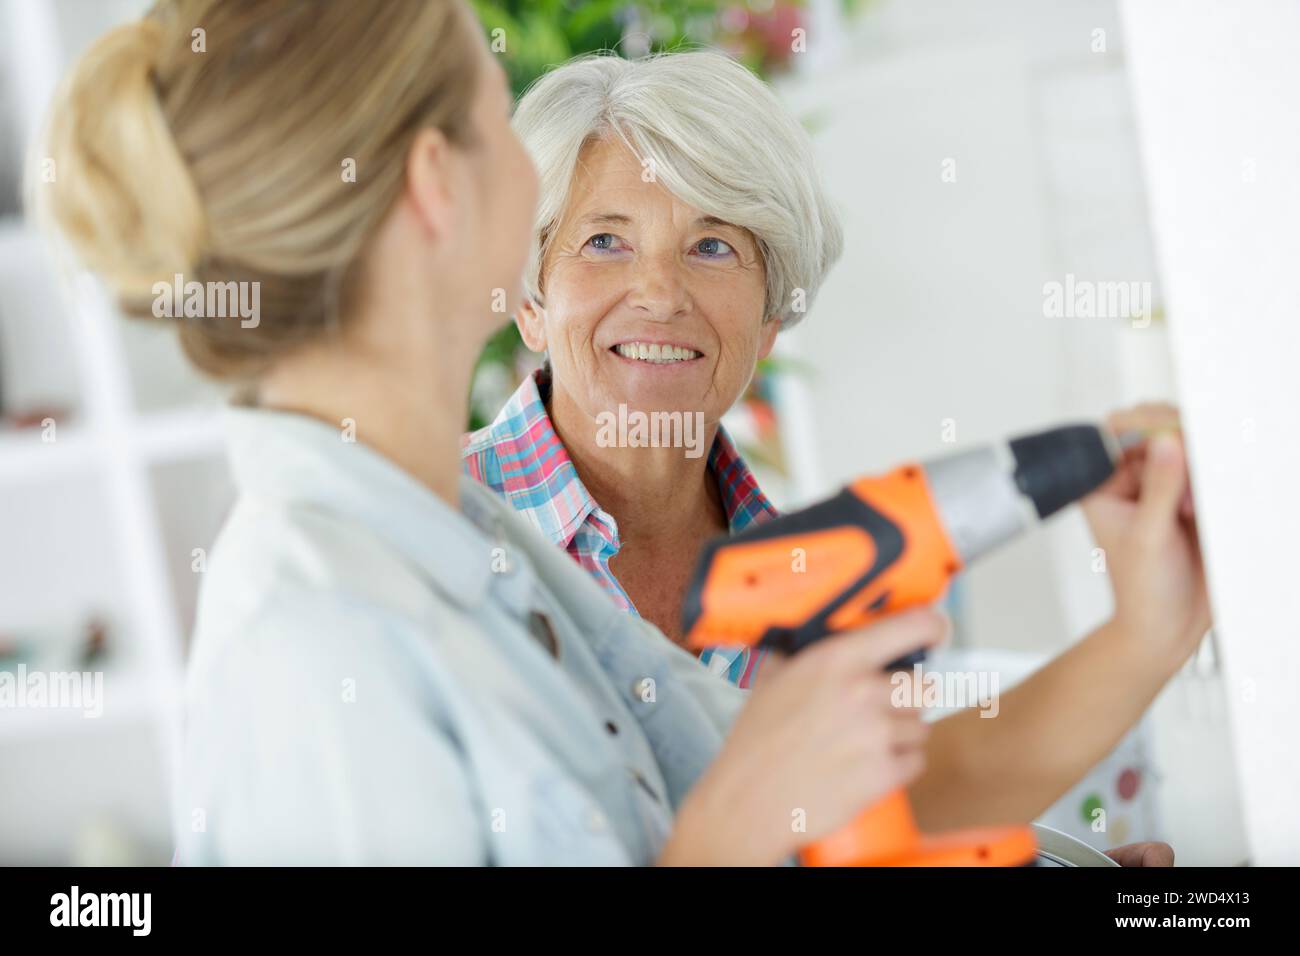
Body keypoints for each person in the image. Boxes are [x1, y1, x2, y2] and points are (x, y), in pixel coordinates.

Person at [34, 0, 942, 865]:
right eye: (500, 123)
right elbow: (737, 808)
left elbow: (858, 790)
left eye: (713, 246)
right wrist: (731, 833)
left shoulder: (477, 546)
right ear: (441, 187)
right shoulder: (314, 627)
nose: (660, 293)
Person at [464, 50, 1210, 843]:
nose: (659, 292)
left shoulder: (807, 576)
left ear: (770, 320)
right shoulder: (430, 522)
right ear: (531, 302)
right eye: (605, 241)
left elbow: (849, 826)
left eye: (713, 245)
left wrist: (1150, 633)